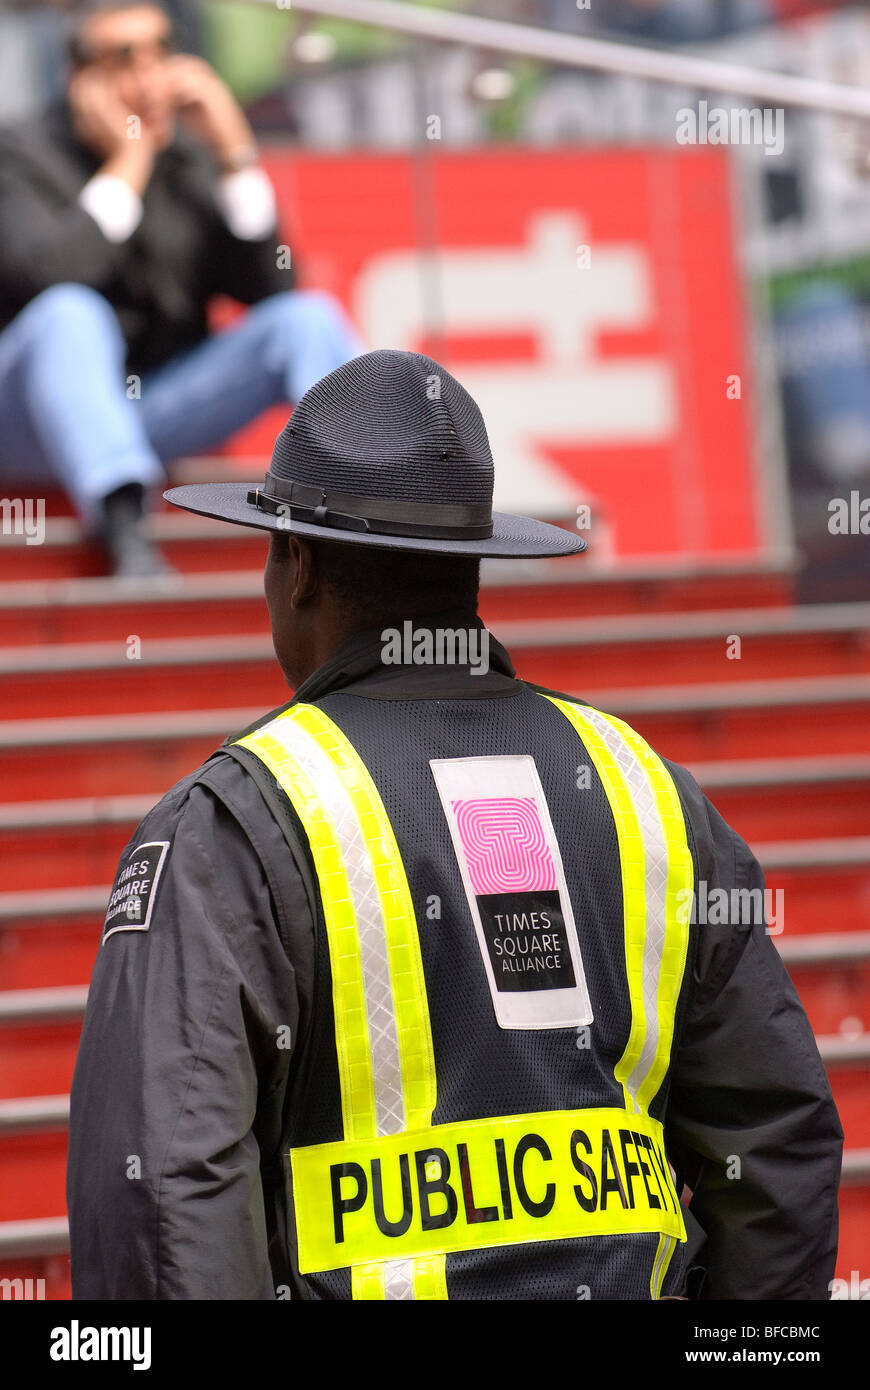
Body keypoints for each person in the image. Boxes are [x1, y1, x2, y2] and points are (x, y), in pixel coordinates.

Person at [66, 349, 842, 1300]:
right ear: (469, 565)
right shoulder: (650, 795)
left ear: (298, 568)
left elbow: (161, 1199)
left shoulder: (236, 824)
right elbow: (779, 1147)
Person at [0, 0, 361, 575]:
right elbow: (50, 275)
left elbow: (274, 290)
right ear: (77, 79)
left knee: (308, 318)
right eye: (123, 58)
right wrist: (129, 158)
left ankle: (396, 508)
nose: (149, 77)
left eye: (160, 52)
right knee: (69, 312)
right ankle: (124, 534)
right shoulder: (19, 153)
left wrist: (234, 155)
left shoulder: (187, 155)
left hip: (150, 411)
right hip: (25, 419)